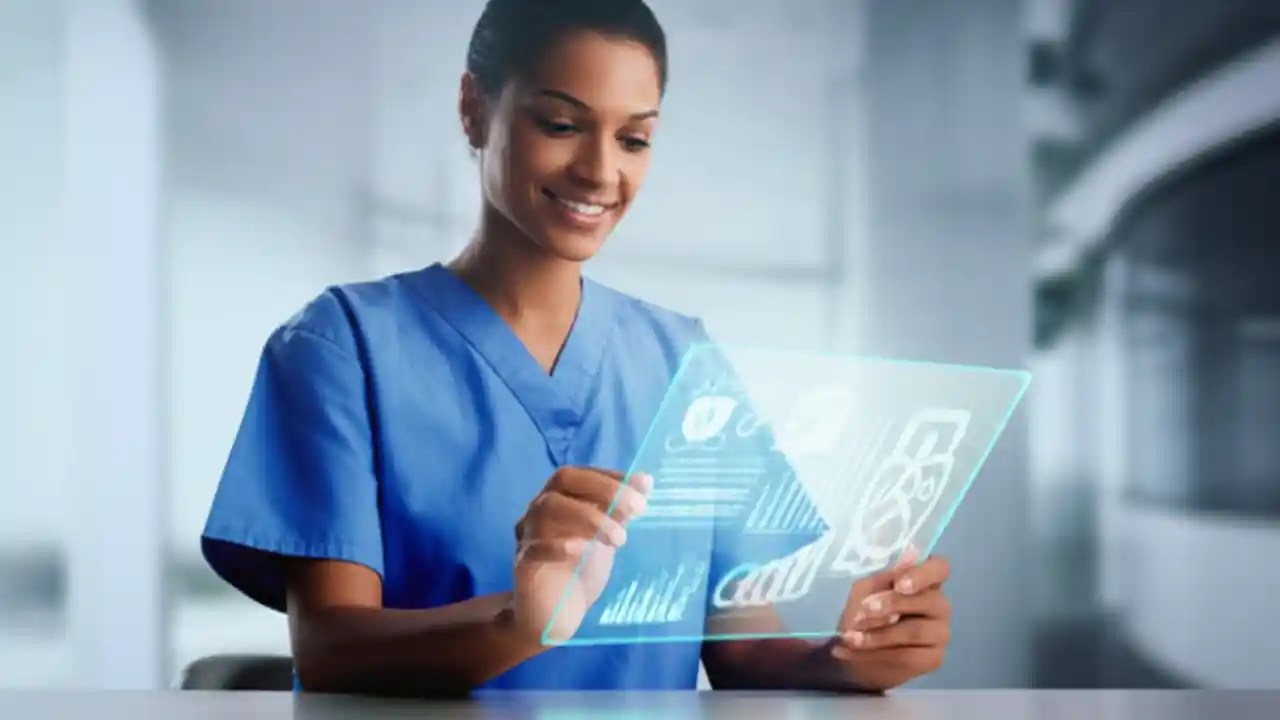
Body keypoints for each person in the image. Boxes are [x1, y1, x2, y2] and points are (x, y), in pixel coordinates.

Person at [201, 0, 952, 696]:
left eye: (634, 138)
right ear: (474, 109)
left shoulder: (683, 362)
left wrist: (847, 655)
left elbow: (738, 646)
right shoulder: (343, 348)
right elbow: (330, 649)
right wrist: (521, 623)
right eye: (560, 124)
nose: (600, 171)